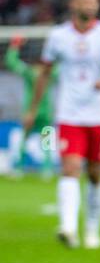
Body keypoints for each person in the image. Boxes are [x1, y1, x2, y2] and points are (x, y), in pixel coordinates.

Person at [26, 0, 100, 248]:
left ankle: (92, 229)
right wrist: (33, 108)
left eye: (94, 1)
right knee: (70, 168)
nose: (90, 5)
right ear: (73, 4)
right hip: (69, 113)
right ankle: (68, 228)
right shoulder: (58, 36)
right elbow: (45, 72)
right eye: (85, 0)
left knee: (94, 173)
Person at [5, 36, 58, 179]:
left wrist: (14, 46)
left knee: (24, 138)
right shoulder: (49, 73)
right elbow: (63, 67)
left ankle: (20, 168)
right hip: (46, 111)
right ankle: (47, 169)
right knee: (46, 140)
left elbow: (11, 62)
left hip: (30, 111)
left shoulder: (29, 71)